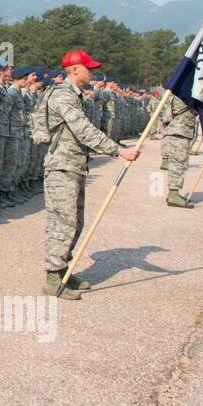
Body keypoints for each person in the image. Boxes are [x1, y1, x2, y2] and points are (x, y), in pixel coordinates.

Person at [41, 50, 139, 299]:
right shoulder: (63, 95)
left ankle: (64, 269)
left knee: (76, 222)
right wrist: (118, 151)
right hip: (61, 167)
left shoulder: (76, 95)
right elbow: (83, 130)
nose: (92, 72)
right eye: (88, 68)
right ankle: (53, 277)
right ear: (74, 69)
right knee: (63, 223)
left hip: (74, 165)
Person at [158, 92, 200, 207]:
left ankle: (173, 193)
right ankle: (173, 194)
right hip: (179, 131)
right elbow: (184, 107)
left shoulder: (178, 93)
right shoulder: (183, 94)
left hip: (178, 130)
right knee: (178, 163)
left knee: (178, 163)